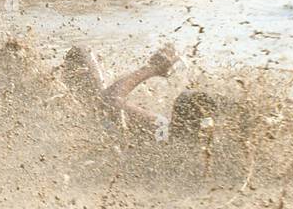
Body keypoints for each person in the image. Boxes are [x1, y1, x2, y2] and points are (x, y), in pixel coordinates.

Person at [61, 43, 220, 143]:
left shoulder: (165, 134)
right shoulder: (208, 149)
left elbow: (108, 101)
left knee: (81, 52)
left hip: (102, 139)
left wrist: (152, 68)